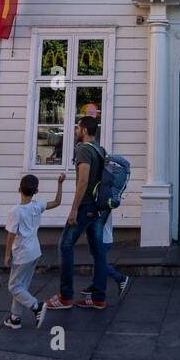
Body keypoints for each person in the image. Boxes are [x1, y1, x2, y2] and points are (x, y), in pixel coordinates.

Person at [45, 116, 110, 310]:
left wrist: (74, 209)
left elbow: (83, 181)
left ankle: (65, 297)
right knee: (99, 252)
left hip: (86, 206)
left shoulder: (83, 150)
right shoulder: (101, 150)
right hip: (99, 207)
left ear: (83, 130)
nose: (75, 131)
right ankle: (98, 297)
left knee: (65, 245)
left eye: (77, 128)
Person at [3, 173, 65, 329]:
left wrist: (6, 254)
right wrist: (60, 183)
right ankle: (15, 318)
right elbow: (57, 202)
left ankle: (36, 306)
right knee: (21, 286)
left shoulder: (15, 211)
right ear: (36, 191)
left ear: (19, 189)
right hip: (35, 252)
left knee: (14, 286)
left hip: (22, 254)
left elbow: (11, 234)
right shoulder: (37, 206)